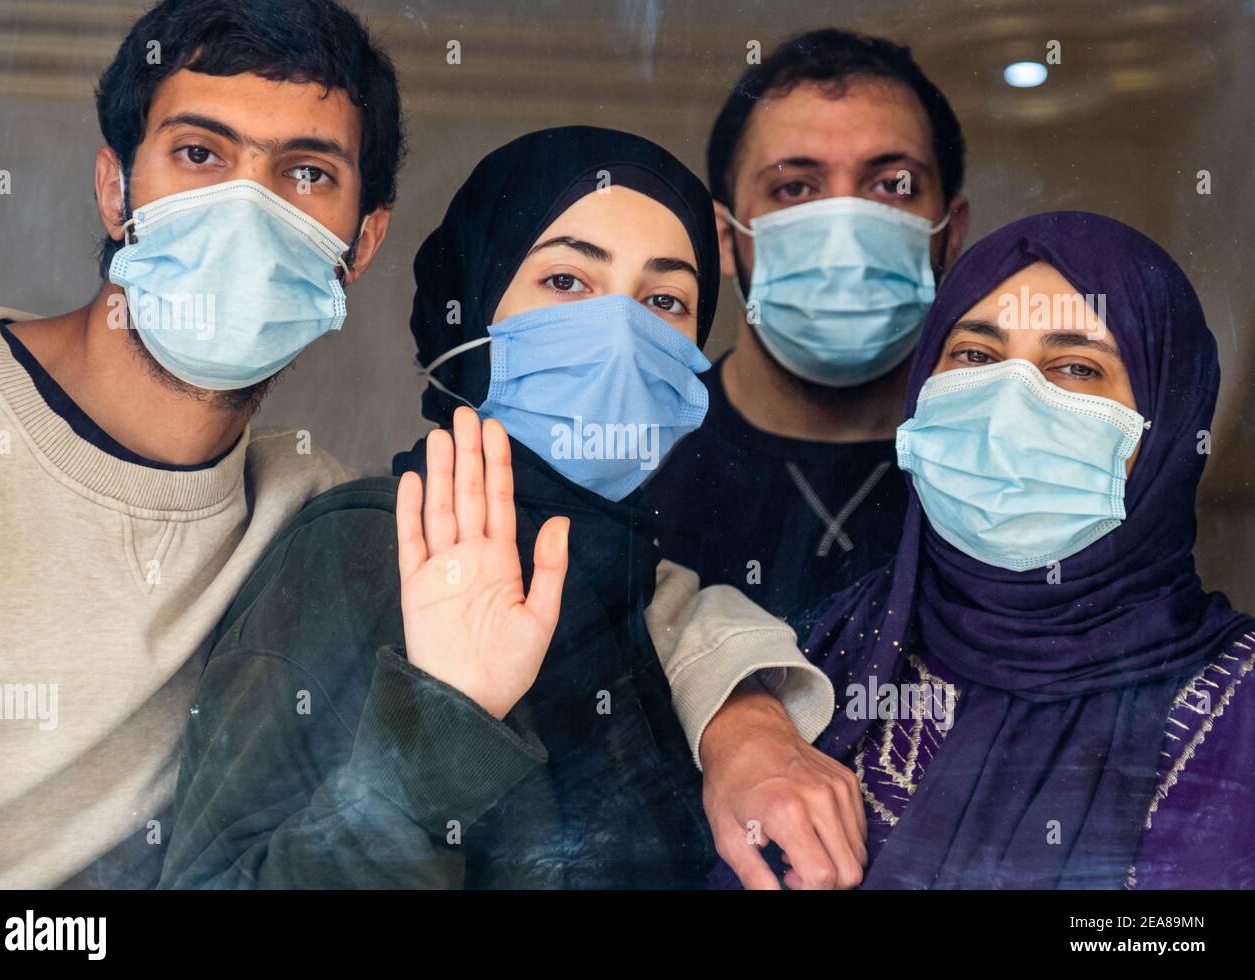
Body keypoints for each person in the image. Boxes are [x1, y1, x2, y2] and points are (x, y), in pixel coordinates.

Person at [158, 126, 832, 890]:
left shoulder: (639, 587)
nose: (620, 336)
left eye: (664, 300)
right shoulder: (368, 549)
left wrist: (745, 716)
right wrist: (441, 728)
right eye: (567, 282)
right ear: (469, 313)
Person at [0, 0, 402, 888]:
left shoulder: (314, 517)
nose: (246, 210)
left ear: (362, 243)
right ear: (117, 189)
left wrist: (736, 722)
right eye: (200, 154)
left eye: (306, 173)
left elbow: (608, 579)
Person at [695, 211, 1255, 889]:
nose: (1007, 403)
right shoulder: (815, 655)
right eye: (975, 356)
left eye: (1076, 366)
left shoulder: (1238, 704)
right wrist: (734, 721)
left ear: (1169, 424)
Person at [642, 29, 970, 639]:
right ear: (725, 238)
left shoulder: (1005, 466)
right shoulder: (637, 461)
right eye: (795, 187)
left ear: (950, 231)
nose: (843, 234)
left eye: (891, 185)